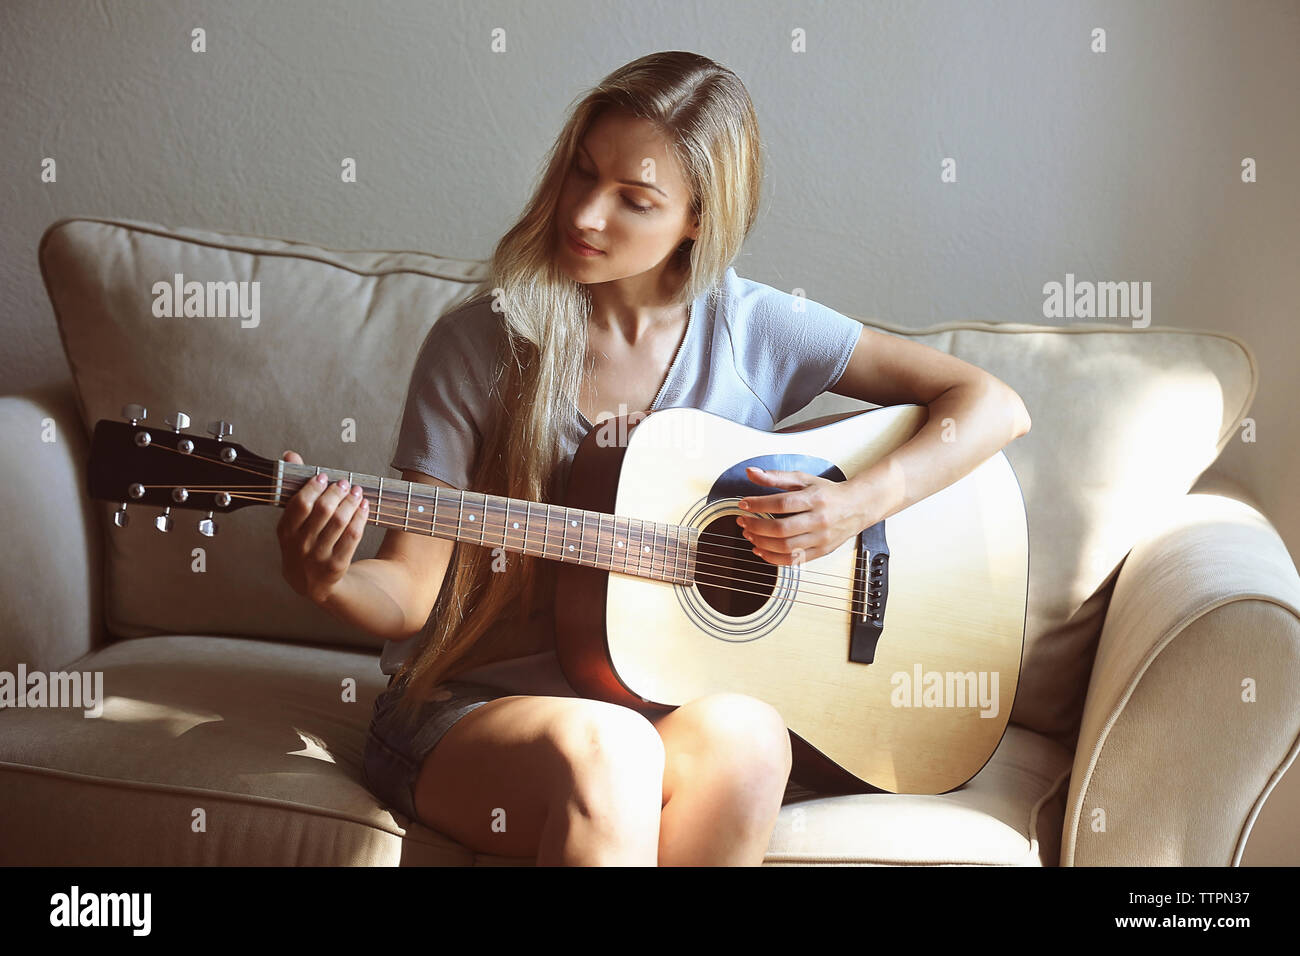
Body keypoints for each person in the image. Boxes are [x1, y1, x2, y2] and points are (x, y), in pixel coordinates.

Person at [276, 51, 1031, 866]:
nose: (587, 215)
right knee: (613, 752)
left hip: (651, 708)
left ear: (698, 220)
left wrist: (857, 505)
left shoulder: (755, 330)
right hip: (471, 712)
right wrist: (330, 580)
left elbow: (992, 405)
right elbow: (410, 593)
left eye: (634, 200)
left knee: (750, 734)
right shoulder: (481, 344)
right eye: (581, 172)